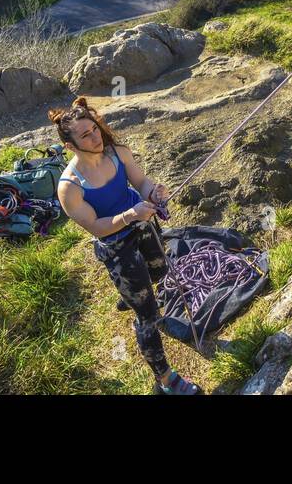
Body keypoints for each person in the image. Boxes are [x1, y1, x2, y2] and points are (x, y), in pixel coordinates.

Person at [51, 97, 202, 394]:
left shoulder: (118, 153)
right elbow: (97, 227)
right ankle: (165, 380)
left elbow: (140, 182)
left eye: (94, 129)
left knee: (159, 273)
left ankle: (132, 294)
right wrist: (130, 215)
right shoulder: (70, 188)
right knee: (146, 315)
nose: (95, 137)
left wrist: (154, 193)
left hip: (144, 225)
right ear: (69, 146)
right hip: (116, 245)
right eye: (85, 135)